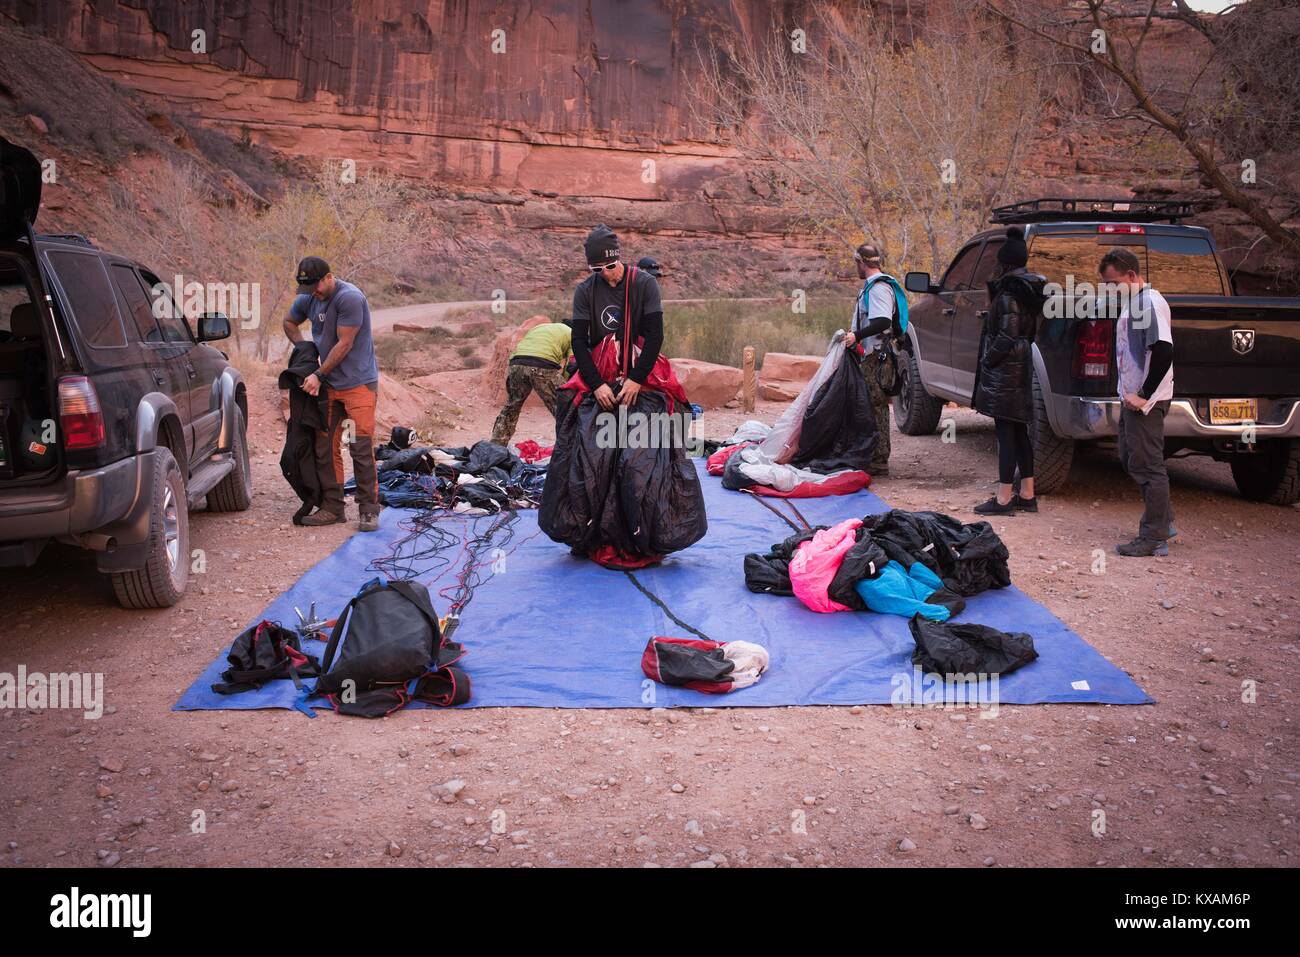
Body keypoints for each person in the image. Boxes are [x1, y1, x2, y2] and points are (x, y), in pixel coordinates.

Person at [282, 256, 381, 532]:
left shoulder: (349, 298)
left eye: (316, 285)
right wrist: (305, 351)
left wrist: (318, 374)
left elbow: (344, 343)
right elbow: (289, 322)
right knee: (323, 446)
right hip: (328, 386)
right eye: (308, 287)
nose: (313, 292)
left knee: (360, 447)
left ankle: (369, 510)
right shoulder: (309, 297)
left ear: (328, 277)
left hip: (358, 384)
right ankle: (333, 507)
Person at [1099, 247, 1175, 557]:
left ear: (1131, 275)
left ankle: (1154, 535)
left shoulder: (1149, 303)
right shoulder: (1136, 302)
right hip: (1133, 400)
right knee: (1131, 456)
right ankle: (1164, 521)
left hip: (1146, 402)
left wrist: (1143, 394)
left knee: (1147, 465)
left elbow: (1164, 350)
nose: (1110, 289)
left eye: (1113, 282)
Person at [971, 227, 1047, 516]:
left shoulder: (1007, 295)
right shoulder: (1029, 291)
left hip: (1006, 370)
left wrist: (988, 361)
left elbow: (1006, 335)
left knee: (1006, 433)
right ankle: (1027, 493)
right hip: (1021, 364)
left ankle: (1003, 498)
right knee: (1018, 431)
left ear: (1004, 263)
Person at [570, 224, 664, 411]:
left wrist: (636, 379)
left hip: (639, 364)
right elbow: (578, 340)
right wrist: (596, 385)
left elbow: (655, 335)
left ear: (617, 257)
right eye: (597, 269)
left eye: (610, 266)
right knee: (570, 410)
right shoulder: (585, 290)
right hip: (600, 368)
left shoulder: (645, 283)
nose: (605, 272)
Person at [843, 243, 906, 476]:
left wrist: (855, 336)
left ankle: (879, 460)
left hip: (877, 357)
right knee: (870, 404)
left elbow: (882, 322)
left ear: (862, 262)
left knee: (875, 406)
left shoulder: (878, 288)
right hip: (872, 354)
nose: (856, 268)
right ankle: (872, 455)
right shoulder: (872, 287)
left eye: (856, 263)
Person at [490, 317, 573, 446]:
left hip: (516, 364)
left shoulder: (541, 327)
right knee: (565, 407)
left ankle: (496, 447)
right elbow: (571, 363)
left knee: (511, 407)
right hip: (542, 365)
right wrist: (566, 385)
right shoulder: (572, 333)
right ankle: (569, 447)